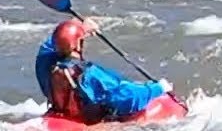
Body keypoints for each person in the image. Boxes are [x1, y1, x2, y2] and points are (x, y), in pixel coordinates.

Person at [35, 19, 172, 124]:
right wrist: (157, 88)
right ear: (79, 44)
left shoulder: (46, 65)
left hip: (60, 113)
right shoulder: (89, 74)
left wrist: (81, 28)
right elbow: (125, 96)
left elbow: (48, 46)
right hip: (86, 119)